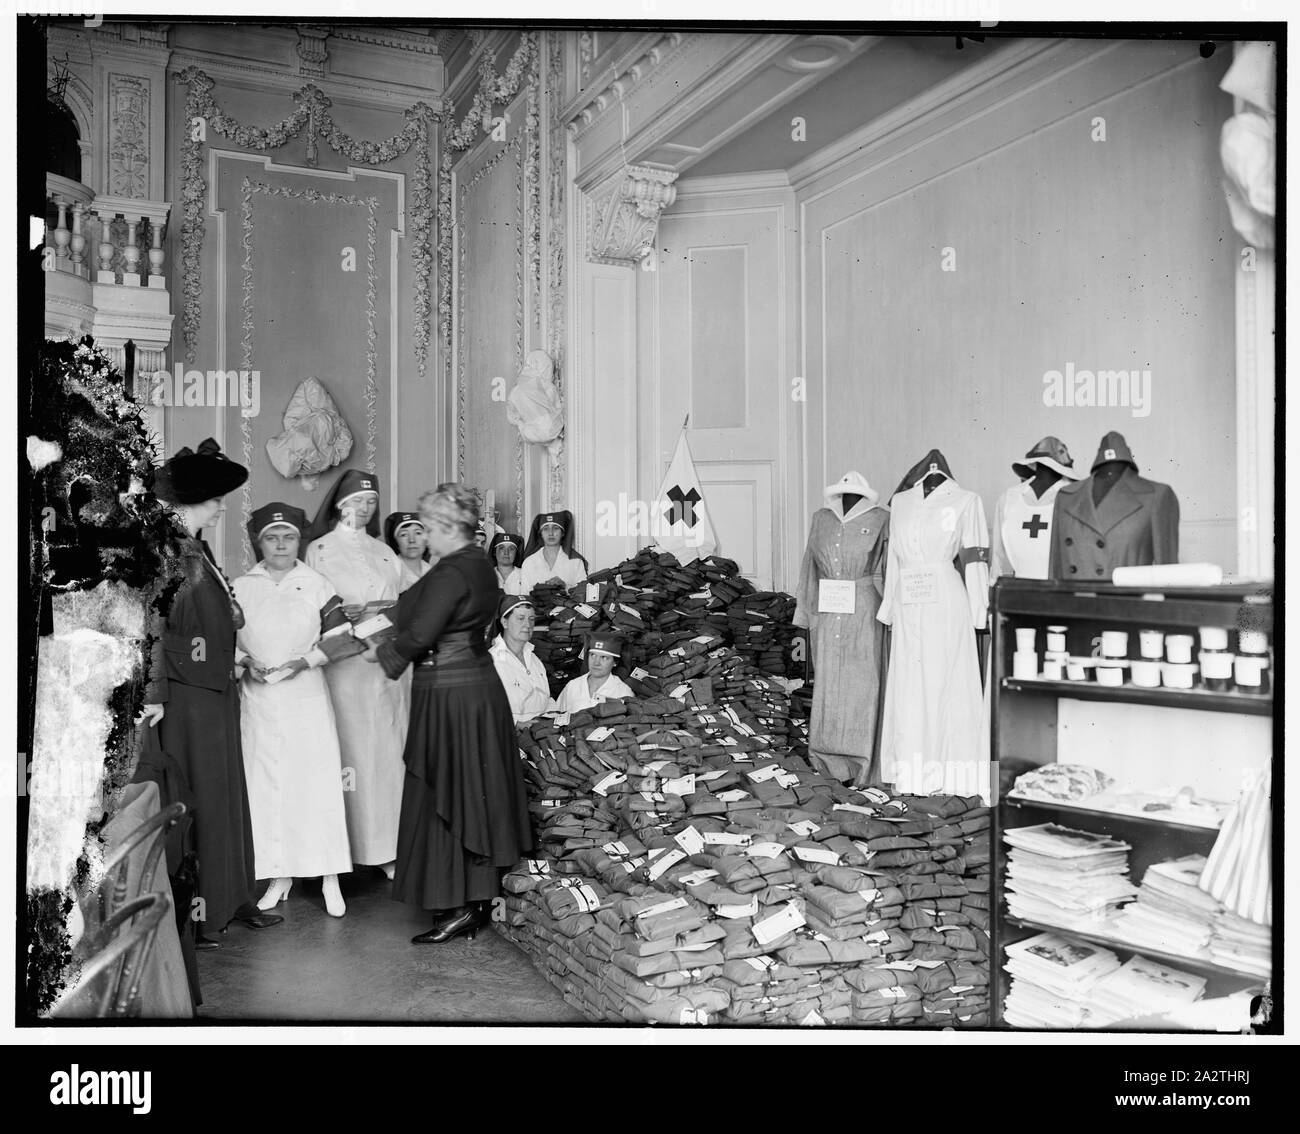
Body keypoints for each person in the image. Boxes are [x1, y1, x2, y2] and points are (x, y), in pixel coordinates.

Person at [367, 484, 533, 944]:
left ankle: (457, 906)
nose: (423, 536)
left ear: (445, 527)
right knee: (472, 790)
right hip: (478, 689)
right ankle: (475, 900)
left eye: (428, 527)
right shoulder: (475, 564)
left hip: (450, 695)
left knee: (446, 791)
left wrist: (376, 651)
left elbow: (418, 634)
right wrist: (375, 620)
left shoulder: (450, 571)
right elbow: (411, 603)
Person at [140, 439, 282, 947]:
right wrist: (153, 691)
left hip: (214, 687)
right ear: (191, 501)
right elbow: (149, 621)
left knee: (224, 796)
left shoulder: (196, 547)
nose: (222, 507)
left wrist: (236, 657)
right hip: (183, 696)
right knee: (195, 799)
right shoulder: (164, 549)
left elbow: (212, 618)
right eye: (215, 499)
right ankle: (196, 914)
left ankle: (230, 898)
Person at [232, 503, 352, 918]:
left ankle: (329, 877)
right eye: (271, 537)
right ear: (258, 542)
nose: (281, 545)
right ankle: (277, 875)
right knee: (267, 790)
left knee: (314, 787)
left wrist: (303, 662)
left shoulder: (317, 583)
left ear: (299, 540)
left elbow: (343, 638)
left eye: (288, 537)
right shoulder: (240, 586)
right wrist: (245, 662)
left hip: (307, 700)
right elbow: (218, 637)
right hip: (259, 701)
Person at [304, 469, 405, 878]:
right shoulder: (319, 550)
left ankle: (389, 848)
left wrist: (383, 628)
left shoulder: (385, 552)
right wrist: (352, 628)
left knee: (387, 754)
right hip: (345, 667)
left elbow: (397, 604)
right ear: (340, 503)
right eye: (356, 501)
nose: (364, 509)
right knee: (350, 758)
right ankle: (346, 849)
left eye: (371, 502)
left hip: (383, 664)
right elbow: (314, 609)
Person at [489, 595, 554, 722]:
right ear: (504, 622)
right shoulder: (492, 661)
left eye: (531, 619)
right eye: (520, 618)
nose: (528, 625)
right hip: (509, 736)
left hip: (540, 735)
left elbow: (546, 701)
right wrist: (517, 724)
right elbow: (487, 710)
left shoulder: (535, 660)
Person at [555, 633, 634, 714]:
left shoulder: (623, 692)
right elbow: (556, 718)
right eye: (593, 655)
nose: (596, 663)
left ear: (615, 662)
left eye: (604, 657)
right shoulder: (572, 686)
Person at [519, 510, 588, 591]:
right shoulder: (529, 562)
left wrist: (565, 586)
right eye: (546, 529)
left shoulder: (576, 561)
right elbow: (525, 595)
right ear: (540, 533)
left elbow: (583, 592)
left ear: (563, 533)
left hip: (568, 604)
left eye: (556, 528)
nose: (551, 533)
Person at [385, 510, 433, 592]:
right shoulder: (389, 573)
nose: (412, 540)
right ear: (395, 542)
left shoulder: (432, 571)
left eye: (418, 533)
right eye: (404, 534)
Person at [487, 531, 526, 595]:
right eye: (502, 548)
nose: (506, 552)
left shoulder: (524, 575)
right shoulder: (487, 576)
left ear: (516, 553)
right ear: (494, 552)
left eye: (511, 548)